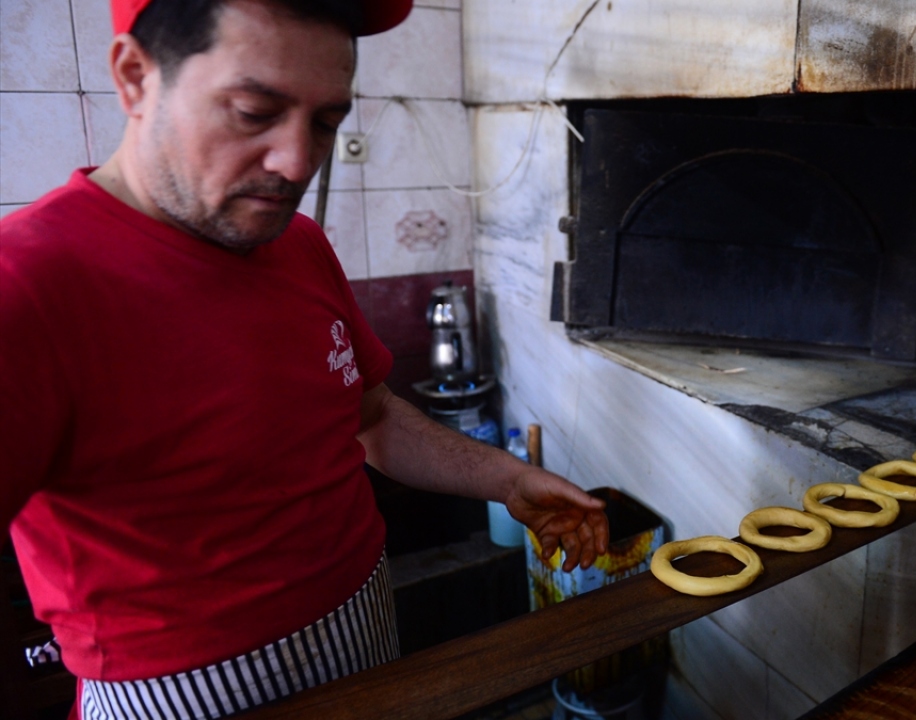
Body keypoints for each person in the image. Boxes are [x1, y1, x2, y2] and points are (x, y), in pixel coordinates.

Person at [0, 1, 609, 718]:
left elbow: (372, 418)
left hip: (365, 632)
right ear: (136, 77)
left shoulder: (298, 244)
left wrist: (506, 479)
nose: (296, 164)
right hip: (181, 693)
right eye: (254, 112)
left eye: (325, 122)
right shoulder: (29, 287)